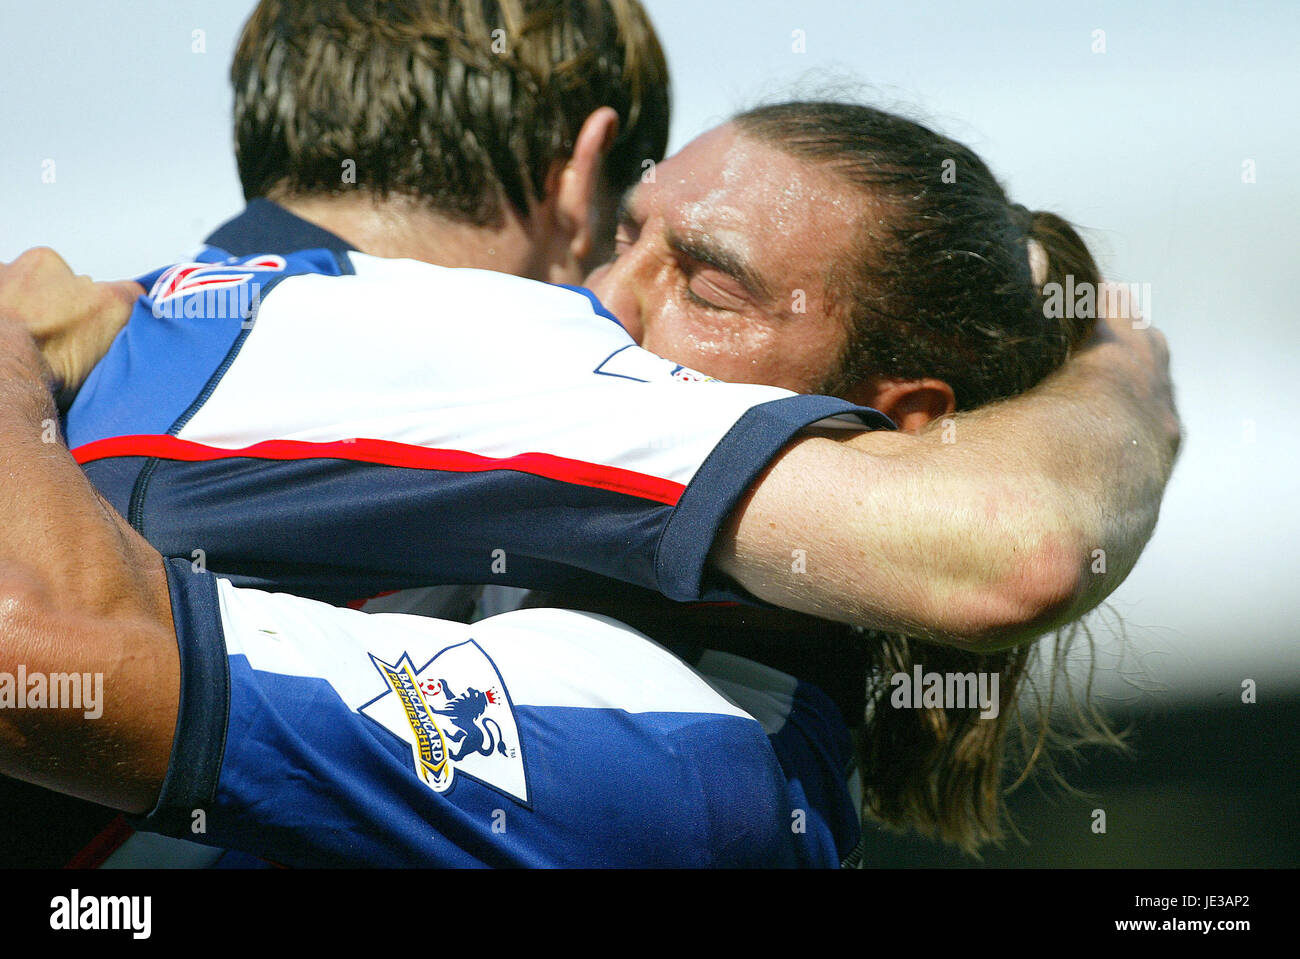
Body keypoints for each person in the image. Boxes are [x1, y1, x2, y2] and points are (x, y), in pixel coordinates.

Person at [0, 101, 1176, 866]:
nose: (595, 303)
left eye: (708, 290)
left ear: (898, 424)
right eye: (622, 239)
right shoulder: (539, 538)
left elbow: (35, 653)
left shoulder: (688, 758)